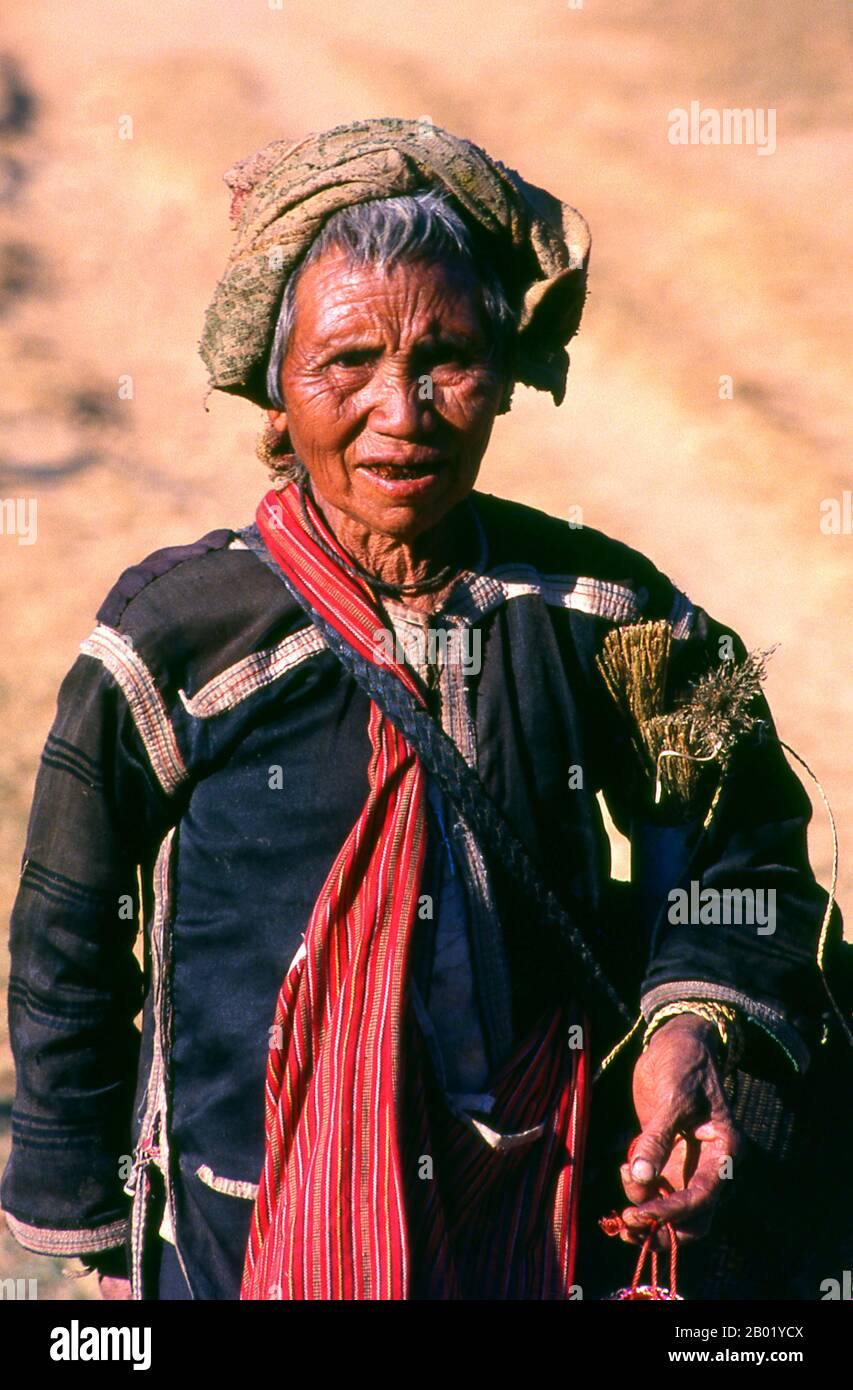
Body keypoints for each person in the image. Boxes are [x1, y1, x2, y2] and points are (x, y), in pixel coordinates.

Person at [2, 118, 848, 1301]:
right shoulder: (176, 636)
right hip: (239, 1239)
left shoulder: (605, 613)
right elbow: (68, 939)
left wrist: (690, 1024)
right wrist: (81, 1229)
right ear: (277, 389)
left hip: (534, 1225)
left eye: (445, 356)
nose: (401, 412)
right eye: (346, 363)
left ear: (503, 373)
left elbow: (743, 837)